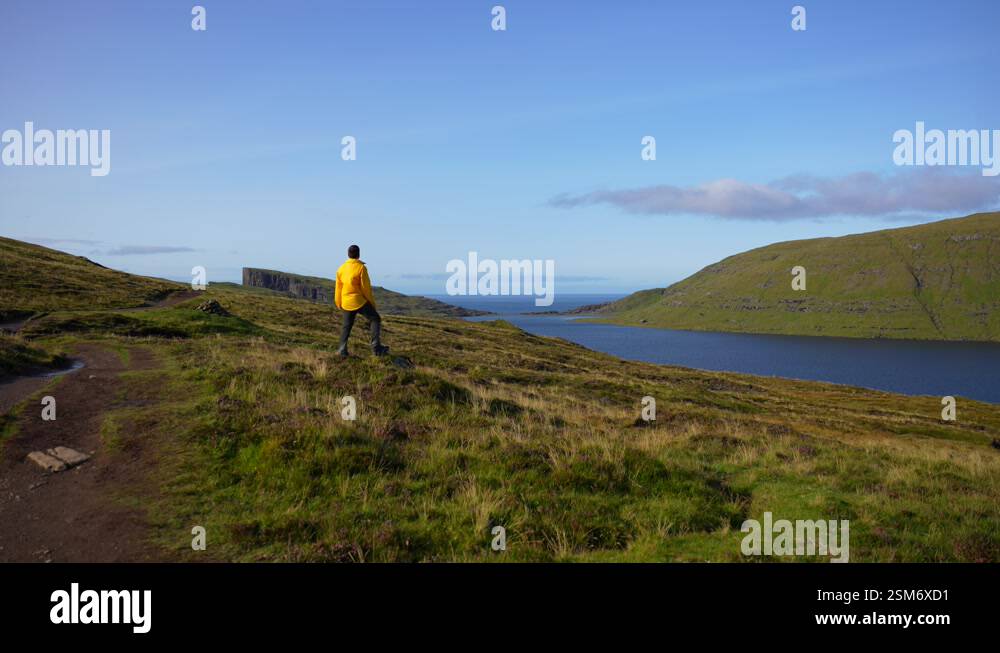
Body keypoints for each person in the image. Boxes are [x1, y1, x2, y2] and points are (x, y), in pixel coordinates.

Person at [335, 244, 389, 357]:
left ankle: (341, 350)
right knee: (375, 319)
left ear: (348, 254)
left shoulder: (341, 268)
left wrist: (338, 302)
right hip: (358, 301)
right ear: (358, 254)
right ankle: (376, 348)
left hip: (345, 301)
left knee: (346, 326)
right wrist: (372, 303)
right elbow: (366, 289)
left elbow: (338, 288)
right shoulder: (361, 268)